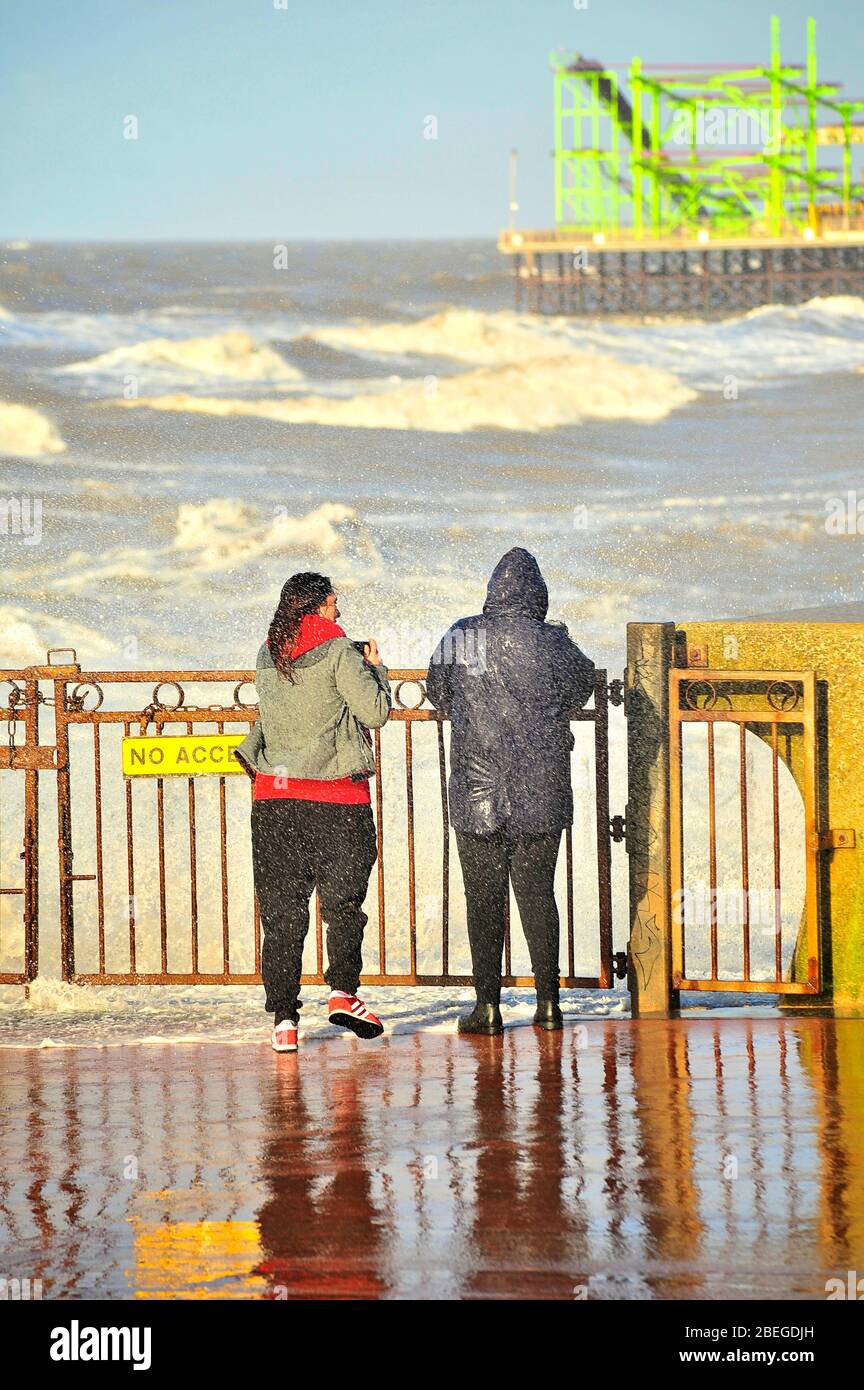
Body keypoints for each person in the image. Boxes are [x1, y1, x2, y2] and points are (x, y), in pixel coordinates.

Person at [426, 547, 595, 1035]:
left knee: (483, 900)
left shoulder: (461, 634)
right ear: (537, 594)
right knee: (538, 896)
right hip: (541, 789)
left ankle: (488, 1007)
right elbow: (580, 686)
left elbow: (439, 691)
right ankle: (548, 1004)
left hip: (477, 791)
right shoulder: (551, 641)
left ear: (491, 592)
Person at [235, 572, 391, 1052]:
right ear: (318, 607)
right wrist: (377, 669)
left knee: (282, 915)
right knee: (343, 906)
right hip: (337, 803)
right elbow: (375, 713)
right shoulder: (343, 653)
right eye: (334, 602)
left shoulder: (269, 653)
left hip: (276, 802)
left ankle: (284, 1021)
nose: (339, 611)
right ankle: (343, 992)